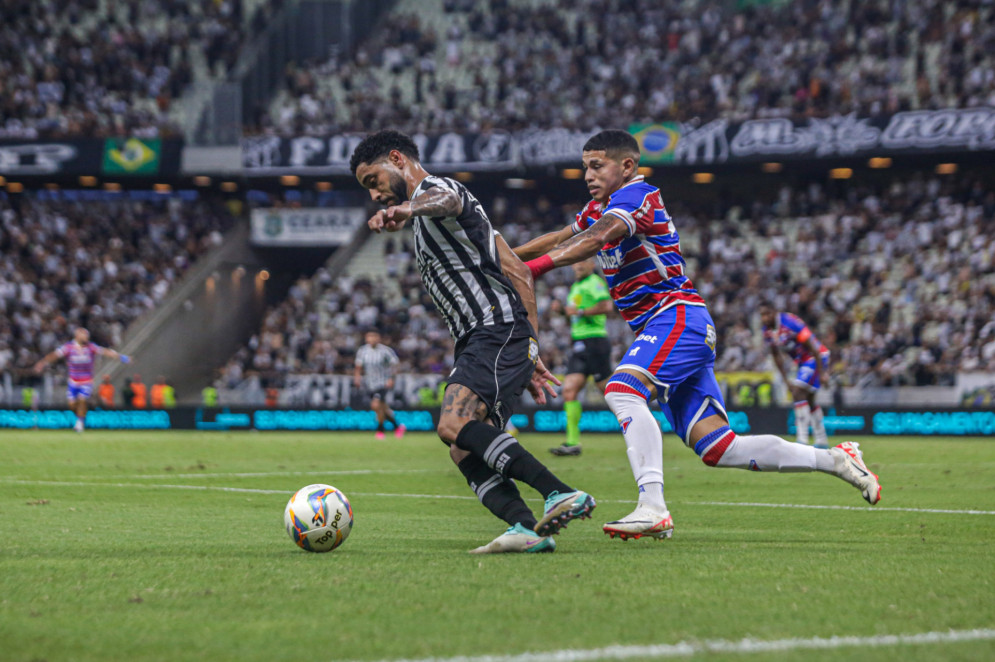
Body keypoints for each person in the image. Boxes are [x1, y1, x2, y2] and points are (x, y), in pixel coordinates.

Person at [516, 129, 881, 541]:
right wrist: (508, 256)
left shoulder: (636, 196)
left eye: (597, 166)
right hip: (671, 326)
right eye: (585, 167)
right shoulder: (600, 207)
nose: (587, 175)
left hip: (676, 317)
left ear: (628, 166)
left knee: (621, 390)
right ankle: (836, 459)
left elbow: (596, 239)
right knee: (719, 448)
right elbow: (565, 236)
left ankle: (652, 506)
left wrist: (535, 268)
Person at [351, 128, 595, 554]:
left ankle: (558, 491)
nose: (374, 194)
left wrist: (408, 207)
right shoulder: (455, 224)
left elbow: (448, 200)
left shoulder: (434, 190)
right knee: (463, 449)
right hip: (491, 337)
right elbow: (517, 270)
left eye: (373, 180)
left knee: (452, 424)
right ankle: (526, 528)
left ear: (397, 159)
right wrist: (531, 347)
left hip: (493, 329)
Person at [540, 258, 613, 456]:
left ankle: (641, 421)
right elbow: (575, 315)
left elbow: (607, 306)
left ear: (592, 265)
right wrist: (563, 311)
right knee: (569, 390)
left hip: (595, 342)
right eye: (576, 264)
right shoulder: (577, 287)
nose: (577, 266)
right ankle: (572, 442)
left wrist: (579, 310)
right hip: (579, 344)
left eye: (582, 263)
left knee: (610, 393)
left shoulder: (594, 283)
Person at [759, 302, 831, 448]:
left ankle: (802, 440)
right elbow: (776, 356)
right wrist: (786, 381)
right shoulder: (767, 331)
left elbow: (813, 346)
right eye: (762, 315)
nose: (764, 318)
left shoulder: (790, 323)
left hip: (816, 357)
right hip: (802, 362)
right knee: (809, 399)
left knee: (798, 393)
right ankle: (822, 440)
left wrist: (823, 373)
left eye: (767, 314)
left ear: (774, 312)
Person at [33, 327, 130, 432]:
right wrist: (42, 363)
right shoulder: (68, 347)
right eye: (84, 335)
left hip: (86, 381)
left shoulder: (91, 347)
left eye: (87, 335)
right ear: (77, 336)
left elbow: (106, 352)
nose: (86, 337)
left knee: (82, 399)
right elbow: (54, 355)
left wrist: (121, 357)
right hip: (73, 381)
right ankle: (82, 415)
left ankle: (80, 423)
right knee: (72, 405)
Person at [354, 330, 406, 440]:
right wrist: (357, 378)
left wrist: (392, 379)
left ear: (378, 338)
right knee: (382, 408)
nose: (371, 339)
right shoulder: (363, 351)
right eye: (369, 336)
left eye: (374, 336)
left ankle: (380, 430)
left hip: (383, 382)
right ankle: (398, 426)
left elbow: (395, 365)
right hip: (369, 383)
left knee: (375, 405)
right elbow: (358, 366)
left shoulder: (386, 351)